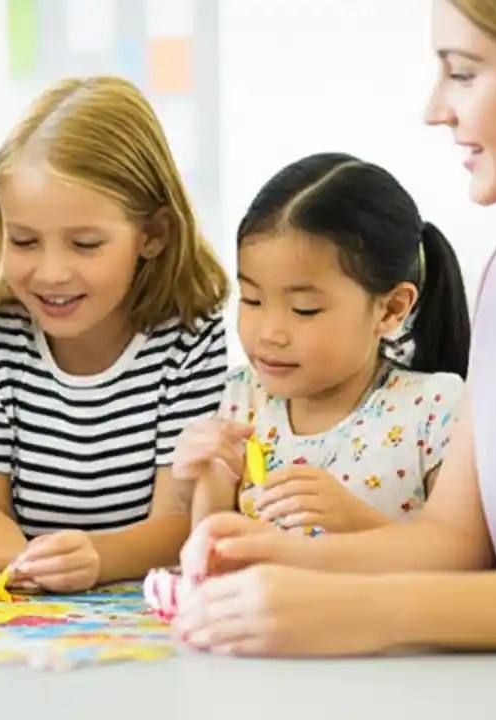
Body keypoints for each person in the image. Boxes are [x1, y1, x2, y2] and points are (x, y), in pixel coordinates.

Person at [173, 0, 496, 656]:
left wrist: (367, 608)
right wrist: (269, 554)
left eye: (462, 73)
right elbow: (454, 540)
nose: (435, 109)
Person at [0, 76, 229, 597]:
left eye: (86, 244)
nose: (50, 273)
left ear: (153, 236)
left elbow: (179, 522)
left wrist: (98, 558)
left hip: (136, 607)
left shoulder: (189, 341)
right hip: (25, 606)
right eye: (24, 240)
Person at [175, 152, 468, 544]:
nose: (269, 333)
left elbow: (463, 567)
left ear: (391, 309)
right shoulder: (242, 400)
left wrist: (355, 519)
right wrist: (204, 483)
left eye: (304, 310)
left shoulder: (433, 410)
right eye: (251, 299)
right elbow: (212, 558)